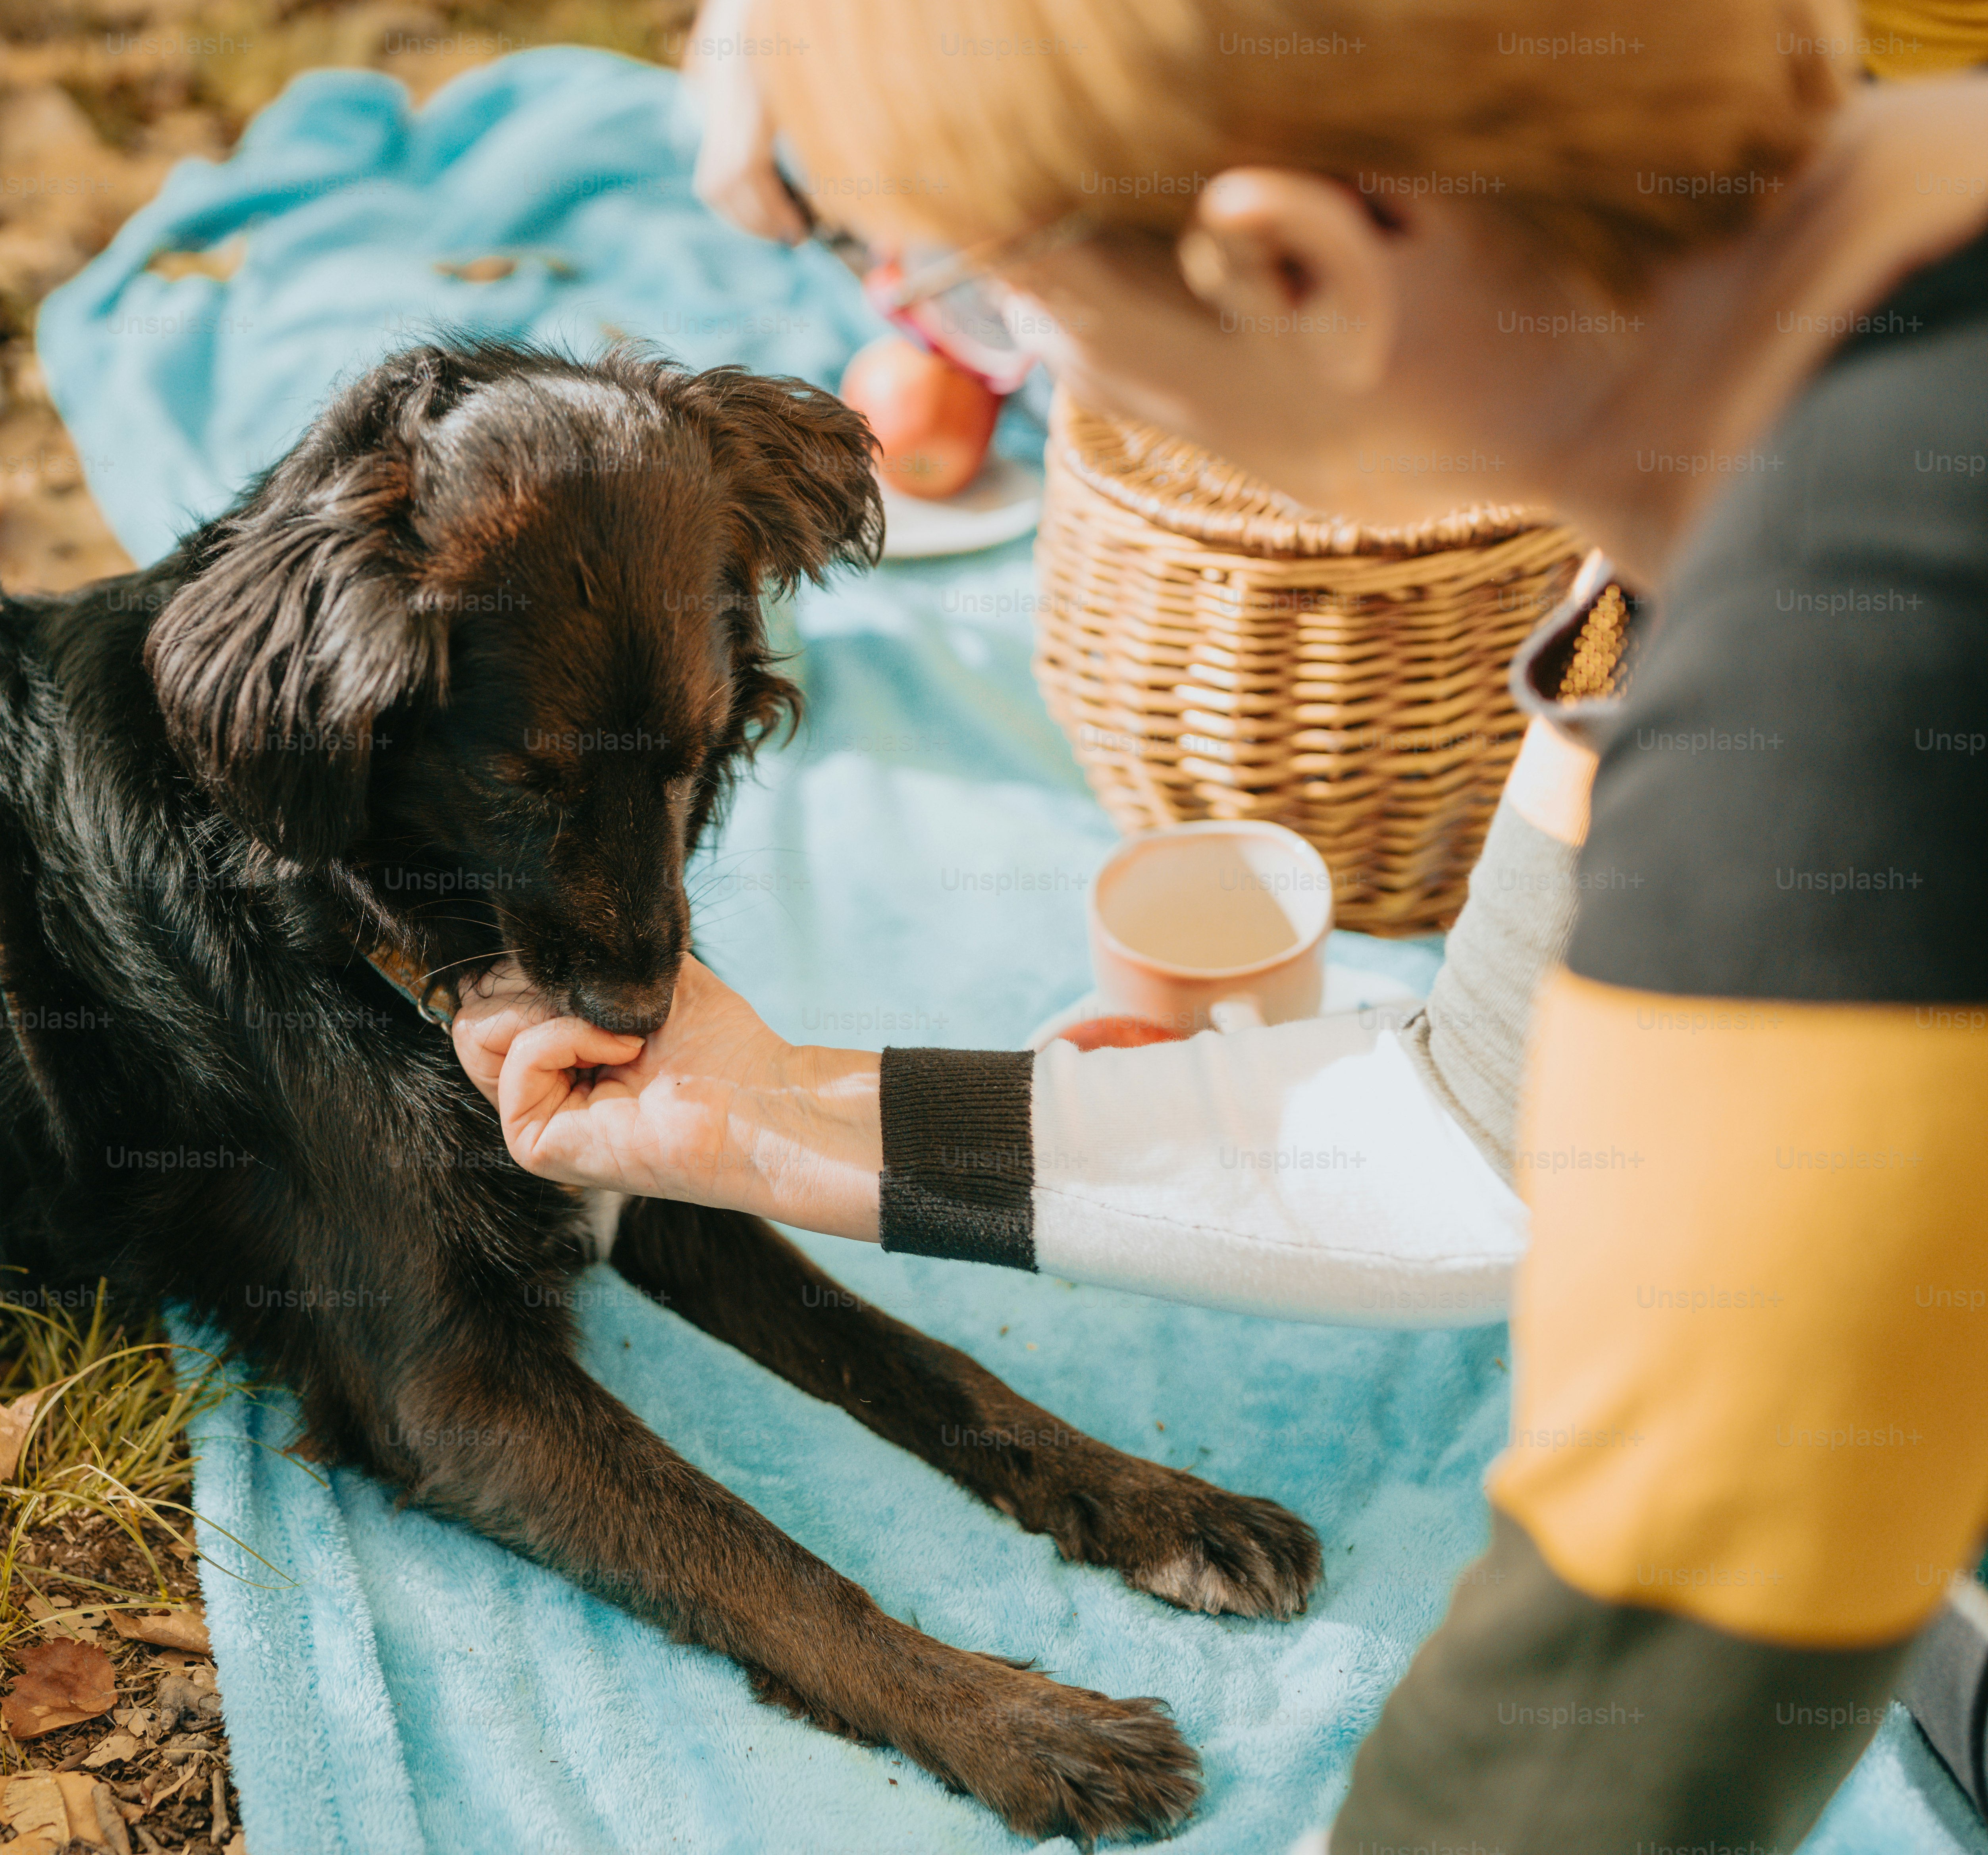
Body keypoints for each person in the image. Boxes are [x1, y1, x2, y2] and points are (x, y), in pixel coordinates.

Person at [449, 2, 1988, 1848]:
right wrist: (777, 1106)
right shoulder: (1811, 376)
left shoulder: (1840, 690)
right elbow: (1493, 1126)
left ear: (1290, 266)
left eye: (995, 287)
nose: (1003, 352)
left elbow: (1642, 1667)